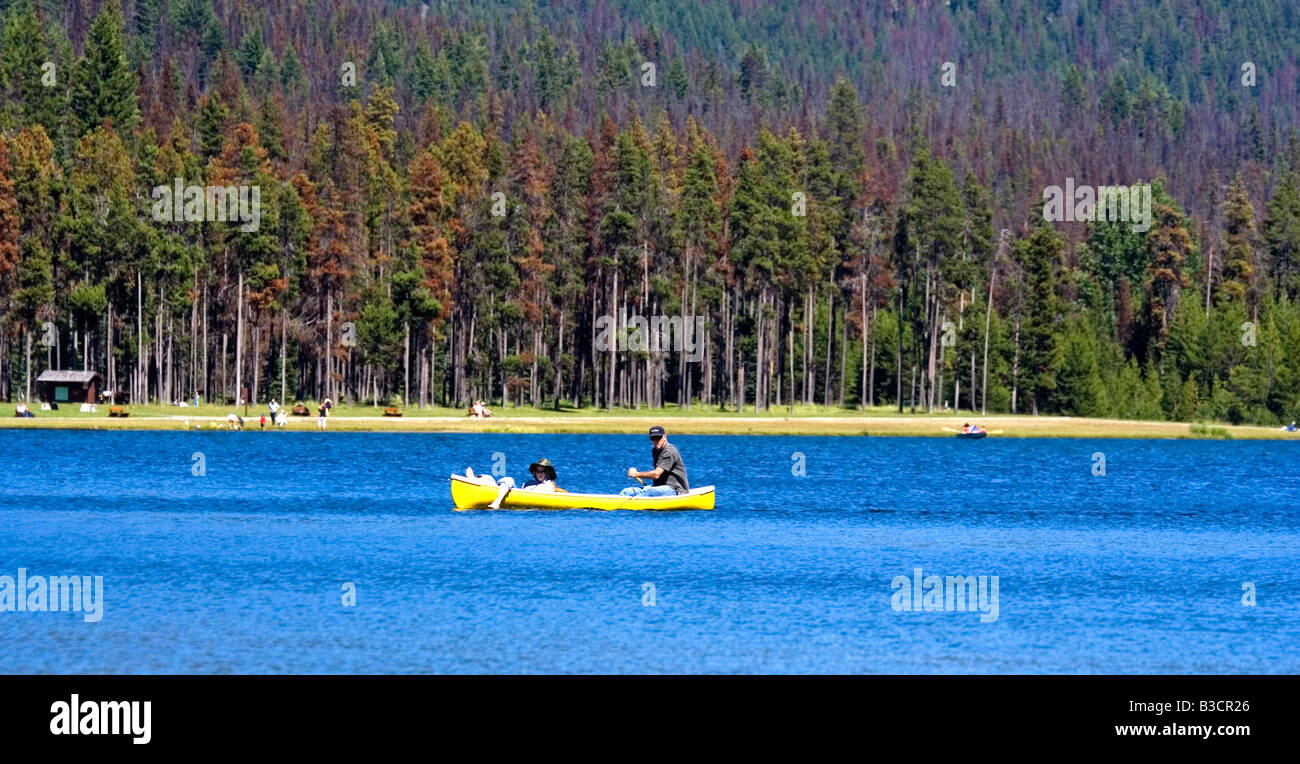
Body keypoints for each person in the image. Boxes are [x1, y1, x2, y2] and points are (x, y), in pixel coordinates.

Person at [622, 425, 689, 497]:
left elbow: (656, 474)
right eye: (653, 438)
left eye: (658, 438)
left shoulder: (669, 451)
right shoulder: (655, 450)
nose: (656, 441)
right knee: (626, 492)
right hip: (659, 487)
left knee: (649, 492)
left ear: (665, 437)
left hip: (675, 489)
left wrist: (636, 474)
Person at [465, 458, 561, 509]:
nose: (539, 474)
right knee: (489, 477)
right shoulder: (530, 483)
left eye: (542, 471)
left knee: (509, 479)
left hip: (521, 496)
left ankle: (497, 502)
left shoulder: (548, 485)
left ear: (548, 472)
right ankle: (474, 480)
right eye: (537, 471)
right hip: (511, 491)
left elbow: (536, 497)